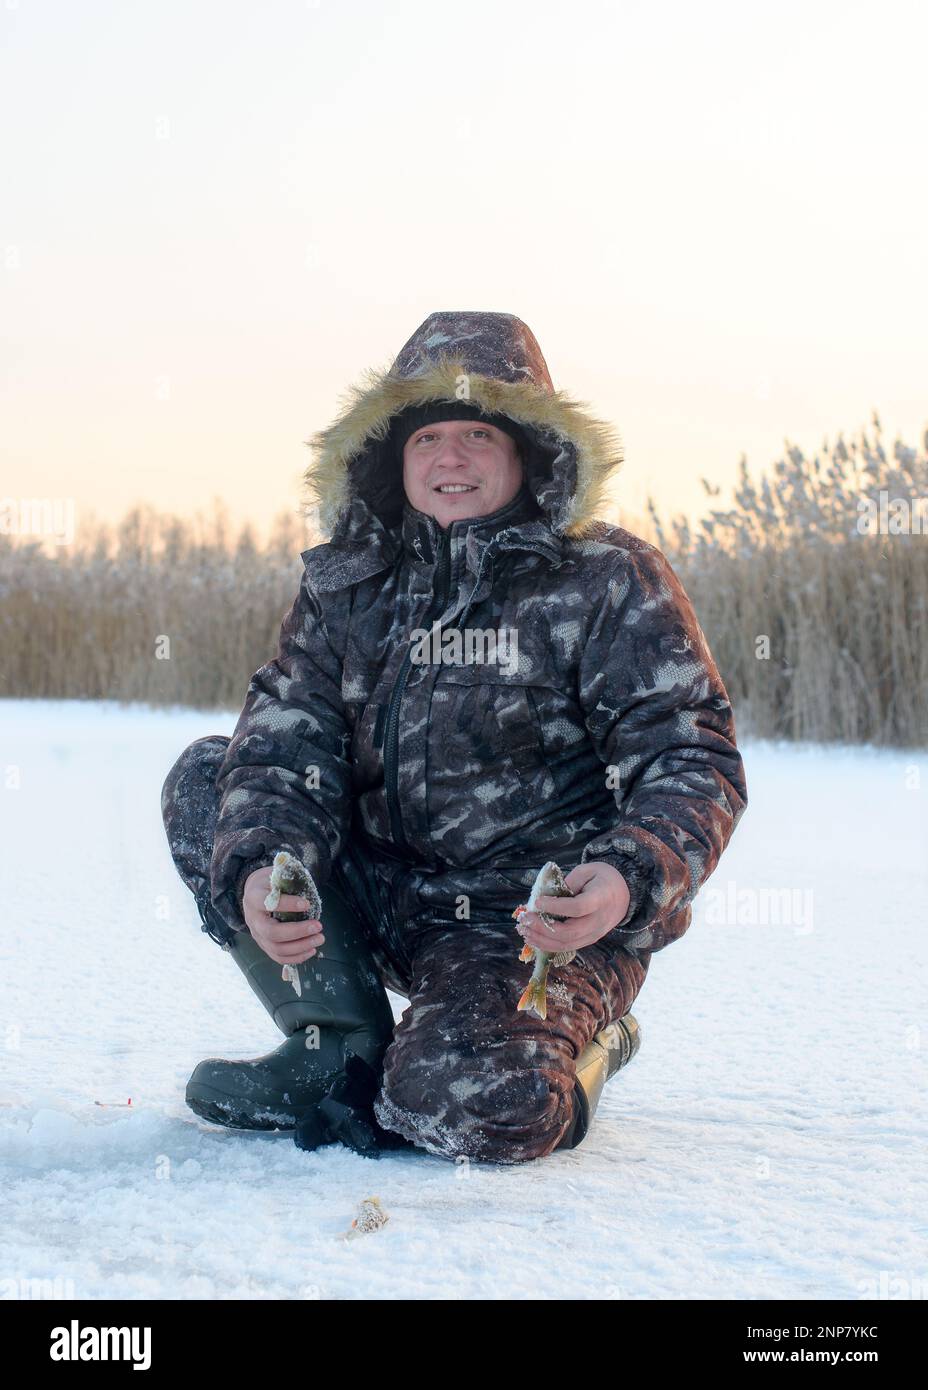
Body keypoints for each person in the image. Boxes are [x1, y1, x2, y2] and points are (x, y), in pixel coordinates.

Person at [161, 309, 748, 1164]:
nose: (450, 458)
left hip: (535, 922)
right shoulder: (346, 584)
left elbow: (691, 761)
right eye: (428, 434)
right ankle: (337, 1046)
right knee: (212, 783)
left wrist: (623, 882)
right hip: (383, 891)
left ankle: (582, 1051)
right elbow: (284, 750)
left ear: (531, 450)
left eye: (478, 431)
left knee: (475, 1109)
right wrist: (260, 872)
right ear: (391, 457)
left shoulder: (608, 580)